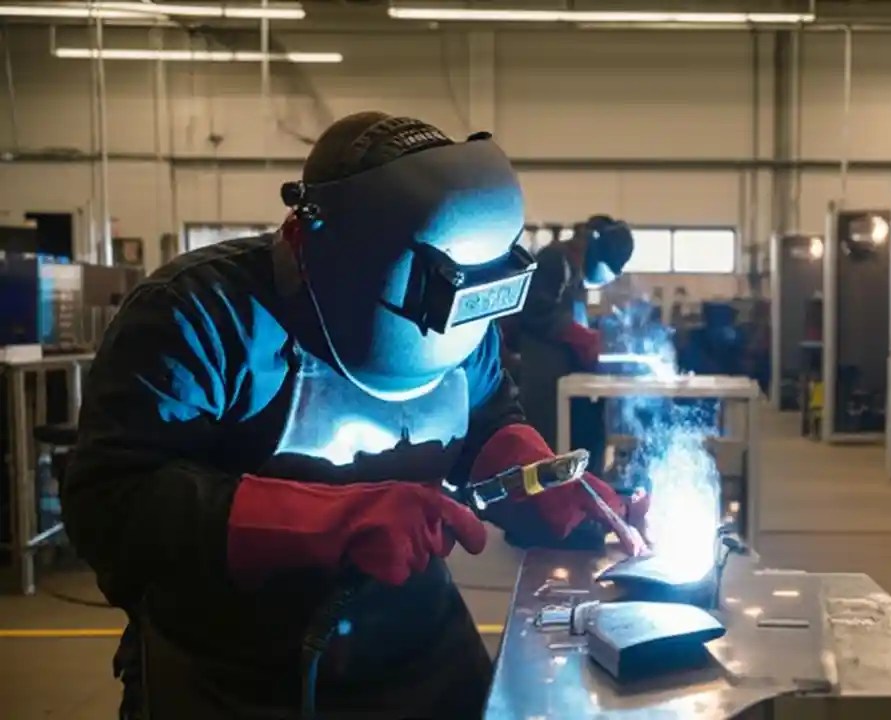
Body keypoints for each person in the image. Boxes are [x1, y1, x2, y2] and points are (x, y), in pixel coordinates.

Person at [61, 113, 645, 720]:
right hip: (233, 672)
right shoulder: (201, 315)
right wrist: (330, 521)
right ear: (303, 238)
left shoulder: (468, 297)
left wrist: (536, 477)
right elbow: (110, 504)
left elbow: (487, 412)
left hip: (418, 646)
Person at [516, 216, 634, 478]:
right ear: (592, 245)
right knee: (547, 453)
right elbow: (536, 310)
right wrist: (579, 336)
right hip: (543, 382)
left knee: (587, 441)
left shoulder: (575, 272)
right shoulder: (554, 260)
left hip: (565, 380)